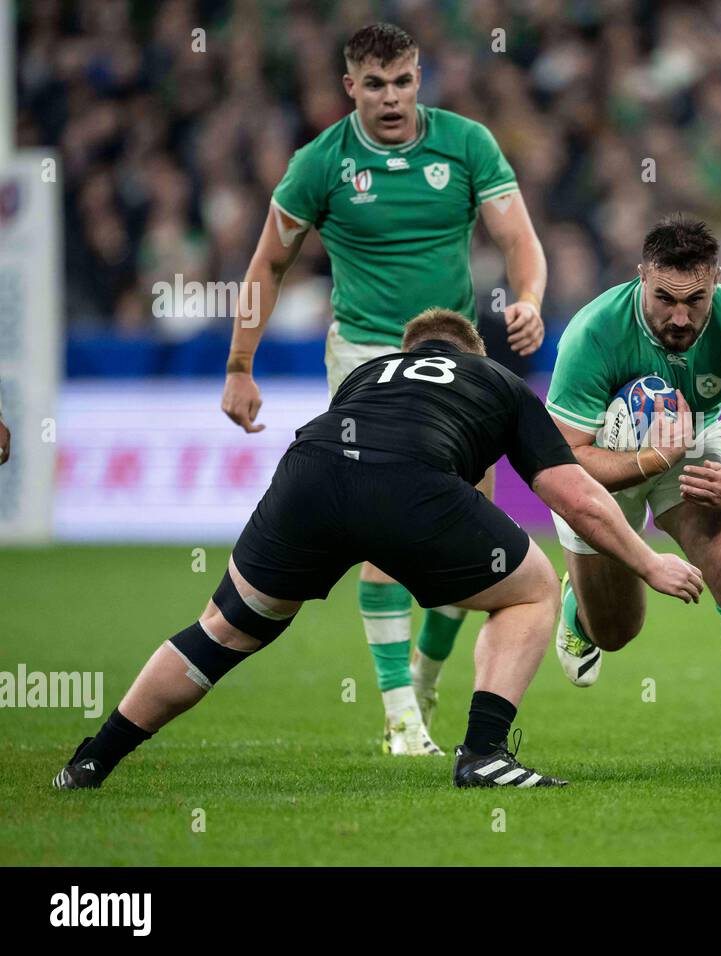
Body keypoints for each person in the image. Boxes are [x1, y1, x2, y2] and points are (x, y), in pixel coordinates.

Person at [54, 309, 703, 791]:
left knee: (223, 629)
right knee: (533, 587)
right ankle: (483, 754)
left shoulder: (371, 373)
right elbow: (576, 496)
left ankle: (93, 757)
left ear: (408, 351)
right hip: (405, 481)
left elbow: (359, 476)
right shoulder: (496, 381)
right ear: (469, 351)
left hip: (308, 471)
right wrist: (648, 563)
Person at [220, 22, 548, 756]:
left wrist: (527, 297)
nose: (391, 97)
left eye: (402, 81)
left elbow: (519, 240)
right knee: (388, 525)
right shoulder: (320, 163)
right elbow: (266, 265)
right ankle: (402, 716)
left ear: (419, 77)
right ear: (350, 88)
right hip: (367, 355)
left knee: (482, 545)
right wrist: (241, 365)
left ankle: (425, 677)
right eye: (374, 84)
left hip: (455, 356)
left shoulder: (466, 144)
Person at [545, 215, 721, 774]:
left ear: (716, 282)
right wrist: (648, 459)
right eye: (665, 299)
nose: (680, 316)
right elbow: (563, 460)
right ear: (640, 278)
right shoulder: (594, 331)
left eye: (695, 300)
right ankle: (579, 611)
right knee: (618, 631)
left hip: (693, 438)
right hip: (605, 456)